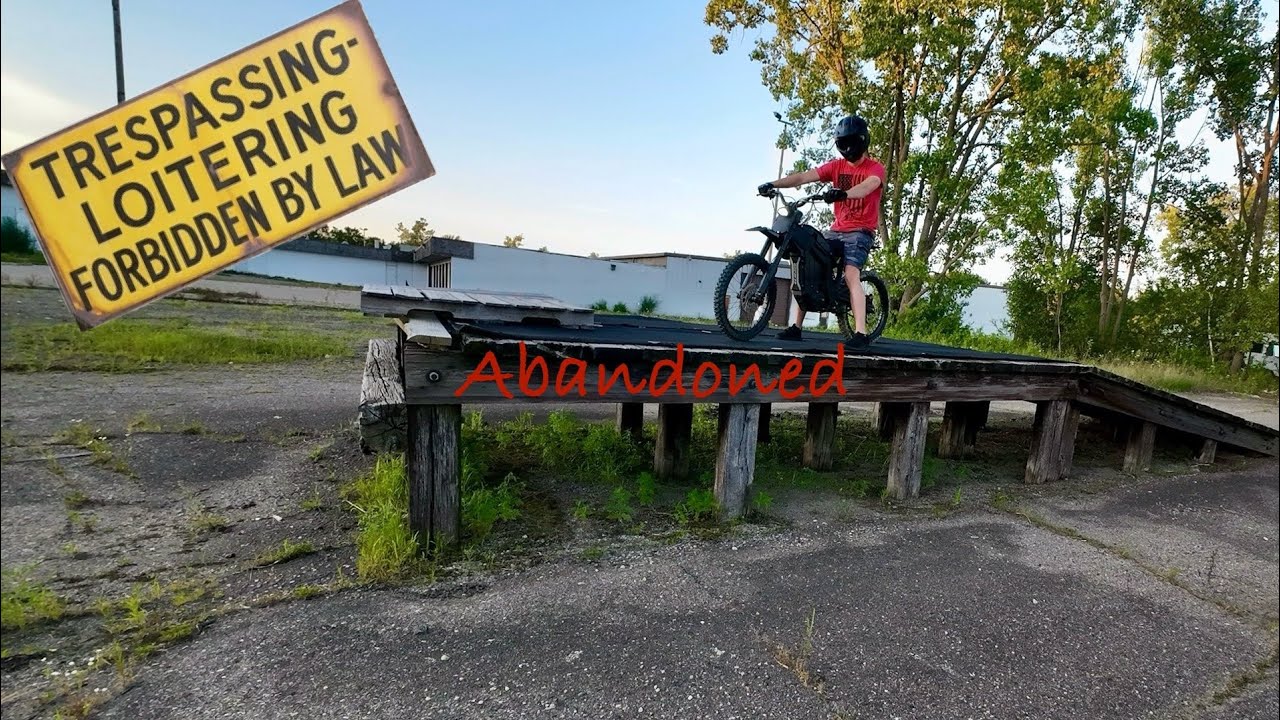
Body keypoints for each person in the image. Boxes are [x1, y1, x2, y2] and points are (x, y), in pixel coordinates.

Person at [757, 115, 885, 348]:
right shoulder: (836, 166)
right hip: (836, 230)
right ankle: (796, 327)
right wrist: (773, 184)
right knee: (808, 265)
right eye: (843, 143)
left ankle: (861, 333)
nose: (848, 148)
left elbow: (868, 186)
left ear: (861, 141)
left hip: (860, 232)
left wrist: (844, 193)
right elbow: (803, 177)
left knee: (851, 275)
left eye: (851, 143)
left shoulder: (874, 168)